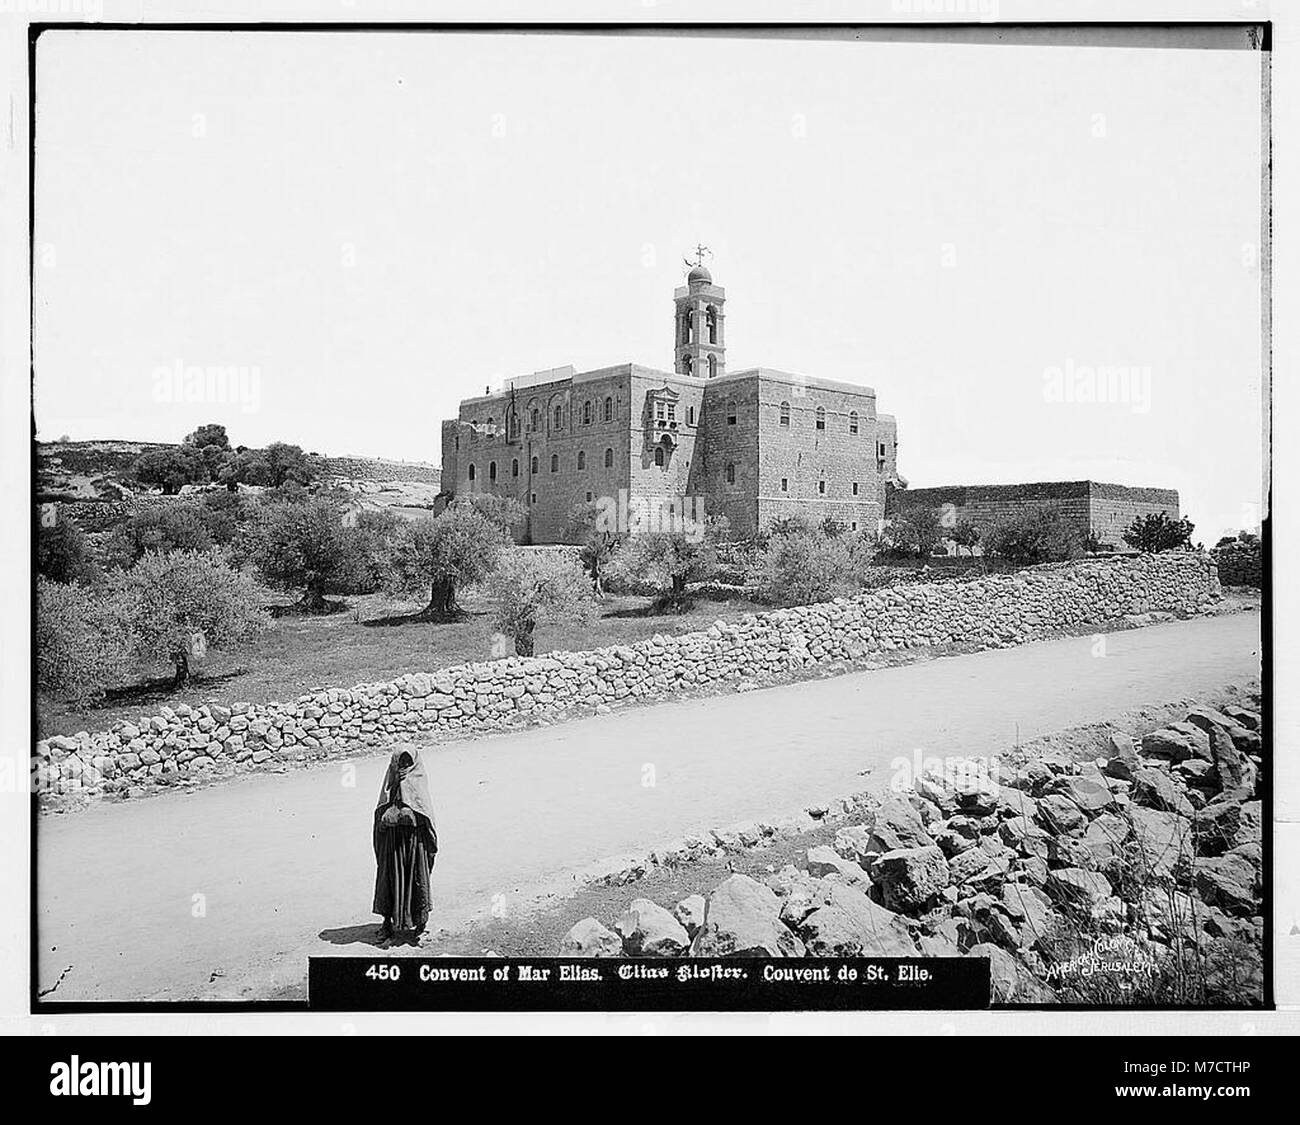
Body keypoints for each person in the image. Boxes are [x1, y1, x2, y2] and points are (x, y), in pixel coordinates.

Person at [372, 747, 438, 941]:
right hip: (392, 845)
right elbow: (381, 812)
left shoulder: (418, 780)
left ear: (414, 763)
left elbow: (424, 814)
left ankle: (420, 925)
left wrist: (407, 815)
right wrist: (388, 817)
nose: (403, 766)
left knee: (417, 880)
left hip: (414, 843)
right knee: (388, 881)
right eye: (400, 762)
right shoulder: (390, 783)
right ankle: (387, 924)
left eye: (407, 762)